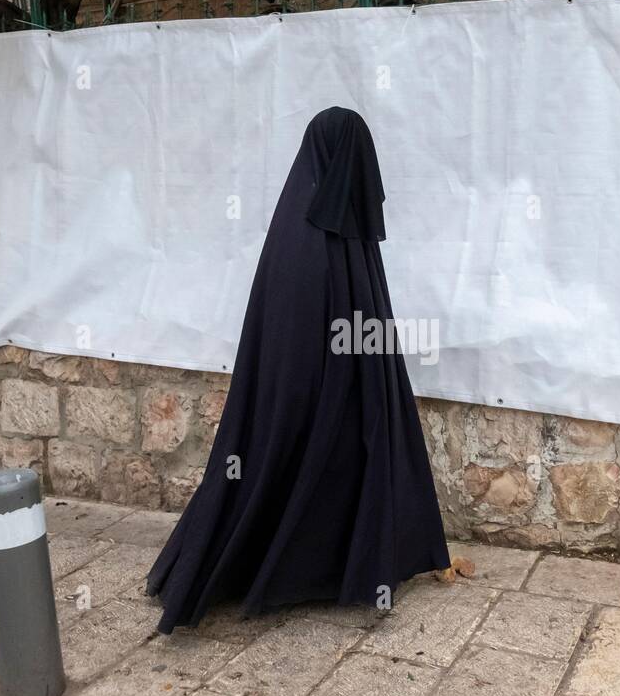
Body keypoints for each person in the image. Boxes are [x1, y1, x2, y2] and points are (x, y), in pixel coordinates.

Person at [147, 106, 451, 633]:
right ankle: (282, 570)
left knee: (348, 461)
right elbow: (294, 330)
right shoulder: (305, 238)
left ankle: (335, 569)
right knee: (302, 469)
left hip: (349, 379)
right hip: (310, 393)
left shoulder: (339, 228)